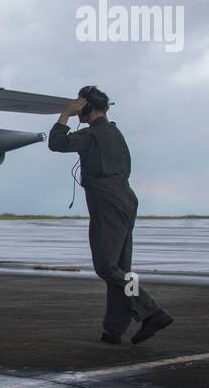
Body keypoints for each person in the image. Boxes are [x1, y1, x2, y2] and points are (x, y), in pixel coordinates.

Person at [48, 85, 173, 345]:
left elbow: (56, 143)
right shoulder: (115, 132)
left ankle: (152, 312)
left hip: (106, 200)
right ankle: (113, 330)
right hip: (125, 198)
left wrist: (64, 114)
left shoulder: (93, 135)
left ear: (87, 108)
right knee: (120, 269)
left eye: (80, 107)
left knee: (106, 267)